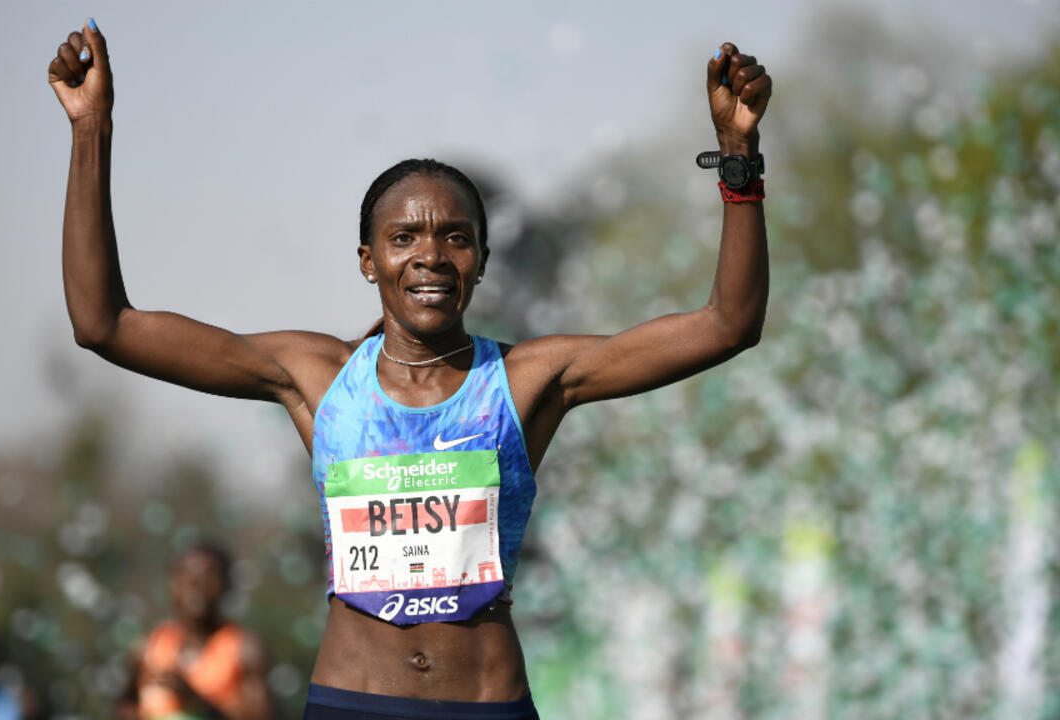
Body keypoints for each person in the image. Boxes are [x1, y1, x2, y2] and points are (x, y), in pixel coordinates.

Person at [48, 18, 771, 720]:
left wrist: (738, 157)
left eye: (456, 237)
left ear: (482, 260)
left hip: (488, 703)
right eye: (403, 237)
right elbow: (103, 324)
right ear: (369, 261)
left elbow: (726, 325)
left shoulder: (524, 380)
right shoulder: (318, 377)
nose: (430, 254)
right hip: (351, 701)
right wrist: (91, 132)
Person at [116, 543, 275, 720]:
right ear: (172, 584)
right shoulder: (148, 649)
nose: (195, 584)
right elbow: (123, 707)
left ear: (226, 585)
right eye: (184, 575)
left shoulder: (244, 649)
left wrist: (197, 702)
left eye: (208, 576)